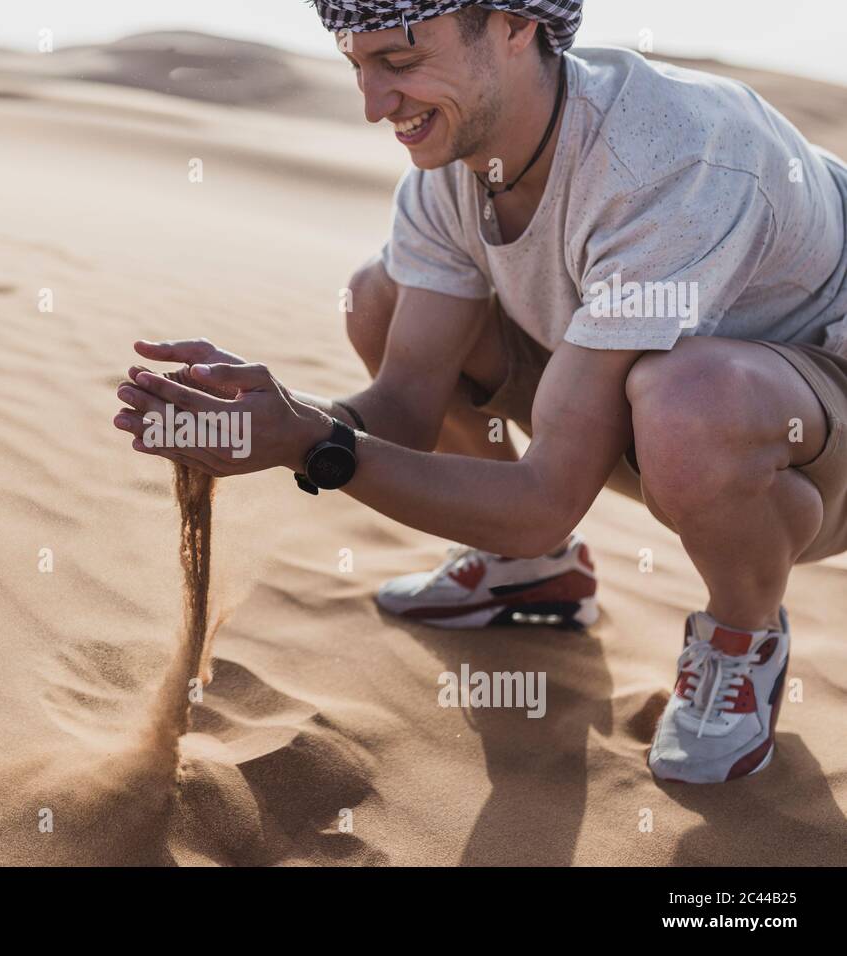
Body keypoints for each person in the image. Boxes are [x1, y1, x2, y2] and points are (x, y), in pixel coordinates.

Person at [111, 0, 847, 784]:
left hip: (812, 445)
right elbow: (402, 408)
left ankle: (743, 634)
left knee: (691, 398)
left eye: (399, 62)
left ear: (514, 24)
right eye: (356, 67)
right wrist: (270, 418)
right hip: (628, 404)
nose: (373, 106)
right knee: (380, 295)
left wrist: (312, 445)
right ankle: (527, 574)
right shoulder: (456, 173)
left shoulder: (670, 160)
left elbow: (544, 501)